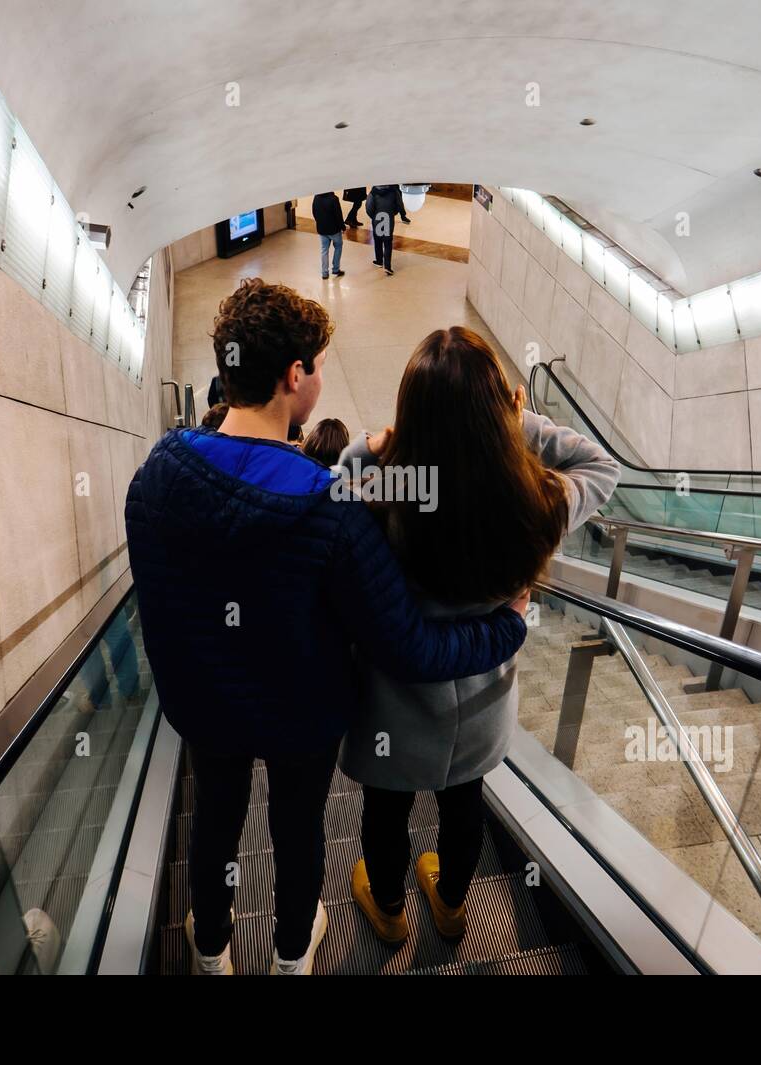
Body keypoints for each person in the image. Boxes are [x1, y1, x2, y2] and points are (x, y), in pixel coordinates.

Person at [125, 282, 530, 976]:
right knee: (296, 829)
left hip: (205, 707)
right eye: (315, 364)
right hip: (300, 718)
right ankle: (289, 952)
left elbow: (159, 599)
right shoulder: (330, 510)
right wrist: (508, 629)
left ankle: (211, 945)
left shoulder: (158, 474)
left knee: (216, 820)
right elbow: (409, 645)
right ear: (294, 377)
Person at [336, 326, 620, 944]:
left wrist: (371, 444)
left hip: (396, 714)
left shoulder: (387, 500)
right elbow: (603, 465)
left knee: (386, 813)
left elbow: (340, 485)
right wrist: (516, 425)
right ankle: (453, 902)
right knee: (464, 808)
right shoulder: (538, 503)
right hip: (483, 707)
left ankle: (387, 908)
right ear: (503, 414)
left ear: (411, 415)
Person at [365, 184, 410, 275]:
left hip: (377, 219)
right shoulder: (394, 191)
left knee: (377, 241)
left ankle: (379, 261)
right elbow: (399, 205)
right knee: (388, 243)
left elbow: (369, 207)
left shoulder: (373, 191)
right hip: (388, 219)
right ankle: (388, 266)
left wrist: (374, 216)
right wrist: (392, 213)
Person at [312, 192, 347, 279]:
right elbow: (338, 215)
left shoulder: (316, 197)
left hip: (322, 229)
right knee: (338, 246)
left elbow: (314, 212)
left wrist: (319, 222)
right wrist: (343, 227)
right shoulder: (334, 199)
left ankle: (324, 273)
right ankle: (335, 269)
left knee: (324, 250)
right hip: (334, 230)